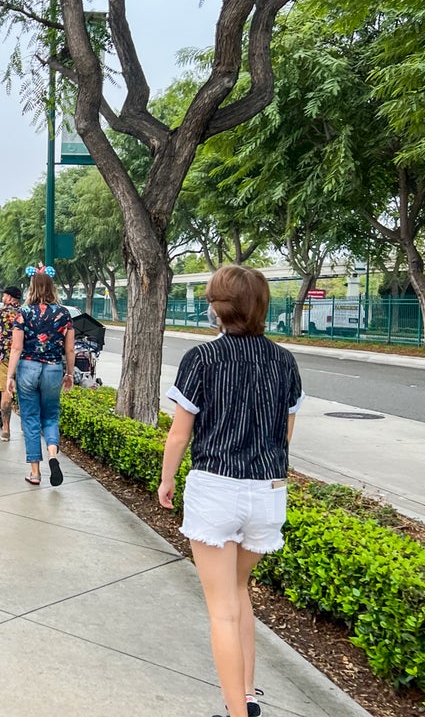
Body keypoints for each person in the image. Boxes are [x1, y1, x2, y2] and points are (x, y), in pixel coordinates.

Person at [158, 265, 303, 717]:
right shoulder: (284, 361)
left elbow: (179, 434)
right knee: (239, 591)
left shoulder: (201, 358)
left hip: (216, 487)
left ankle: (236, 712)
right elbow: (285, 434)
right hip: (268, 491)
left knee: (222, 610)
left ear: (217, 308)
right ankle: (248, 696)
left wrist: (166, 479)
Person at [5, 271, 74, 487]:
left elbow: (16, 347)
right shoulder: (64, 314)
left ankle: (35, 472)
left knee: (30, 418)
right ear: (52, 288)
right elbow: (70, 349)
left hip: (28, 367)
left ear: (31, 288)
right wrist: (70, 374)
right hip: (53, 369)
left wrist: (10, 375)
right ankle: (52, 454)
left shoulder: (23, 313)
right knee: (51, 416)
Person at [0, 285, 22, 441]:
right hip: (23, 357)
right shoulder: (25, 313)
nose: (2, 298)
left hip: (3, 357)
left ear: (9, 297)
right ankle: (24, 425)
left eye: (4, 295)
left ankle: (6, 430)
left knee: (6, 392)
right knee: (25, 392)